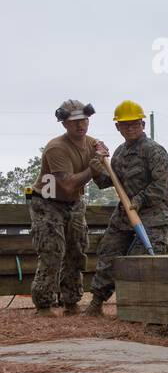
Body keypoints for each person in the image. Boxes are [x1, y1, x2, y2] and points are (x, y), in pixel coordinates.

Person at [85, 101, 168, 316]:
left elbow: (162, 185)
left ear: (142, 124)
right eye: (125, 125)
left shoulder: (154, 151)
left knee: (141, 262)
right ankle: (96, 303)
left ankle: (142, 310)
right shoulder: (119, 153)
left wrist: (138, 200)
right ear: (118, 128)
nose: (130, 128)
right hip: (124, 216)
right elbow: (109, 181)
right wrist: (97, 169)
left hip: (152, 216)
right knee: (108, 254)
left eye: (134, 124)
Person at [27, 99, 109, 316]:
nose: (80, 125)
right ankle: (43, 306)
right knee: (52, 251)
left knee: (77, 250)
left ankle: (71, 302)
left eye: (84, 120)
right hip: (47, 200)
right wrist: (94, 166)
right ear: (64, 124)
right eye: (74, 122)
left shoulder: (93, 145)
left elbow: (102, 180)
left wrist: (104, 162)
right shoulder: (56, 148)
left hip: (73, 202)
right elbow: (69, 183)